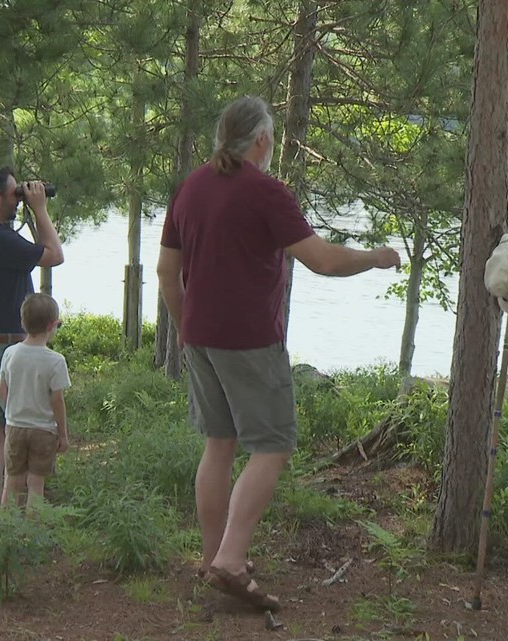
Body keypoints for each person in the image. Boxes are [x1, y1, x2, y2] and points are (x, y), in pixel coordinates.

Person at [156, 95, 401, 611]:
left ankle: (215, 559)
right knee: (272, 446)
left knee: (219, 445)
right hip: (248, 340)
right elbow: (324, 261)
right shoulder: (266, 192)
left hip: (199, 337)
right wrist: (376, 257)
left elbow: (164, 272)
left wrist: (186, 328)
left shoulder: (190, 188)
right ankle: (230, 558)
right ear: (263, 141)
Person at [0, 163, 64, 502]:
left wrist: (34, 210)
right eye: (13, 194)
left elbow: (40, 252)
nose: (17, 200)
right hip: (2, 346)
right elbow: (54, 255)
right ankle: (17, 502)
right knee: (20, 424)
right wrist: (40, 209)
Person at [0, 293, 70, 508]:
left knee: (12, 479)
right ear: (51, 325)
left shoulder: (10, 353)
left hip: (15, 426)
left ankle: (6, 527)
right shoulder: (56, 361)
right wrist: (63, 434)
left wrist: (13, 410)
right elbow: (57, 401)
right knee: (36, 483)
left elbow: (2, 391)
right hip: (43, 430)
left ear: (23, 322)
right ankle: (33, 532)